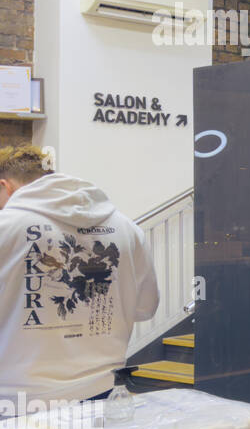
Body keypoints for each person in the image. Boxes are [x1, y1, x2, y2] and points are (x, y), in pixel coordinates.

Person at [0, 145, 160, 408]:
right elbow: (145, 308)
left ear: (6, 186)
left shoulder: (6, 226)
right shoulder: (126, 228)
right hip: (103, 392)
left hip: (17, 402)